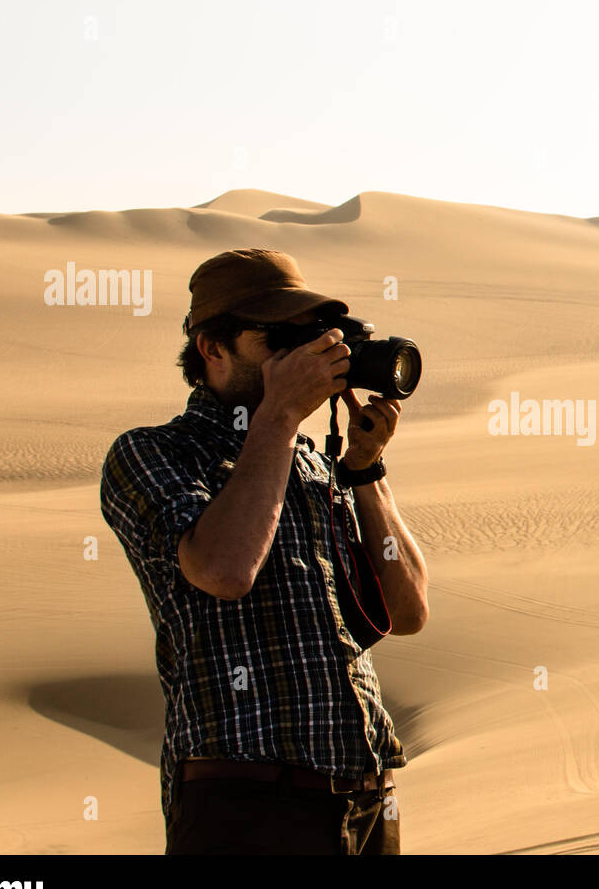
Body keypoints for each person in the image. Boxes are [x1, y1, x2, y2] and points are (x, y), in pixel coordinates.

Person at [99, 248, 428, 854]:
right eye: (278, 336)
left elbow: (407, 613)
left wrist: (365, 469)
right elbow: (224, 570)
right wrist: (275, 418)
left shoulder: (313, 465)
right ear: (213, 347)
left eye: (308, 335)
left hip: (366, 801)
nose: (302, 354)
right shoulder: (152, 454)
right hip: (246, 805)